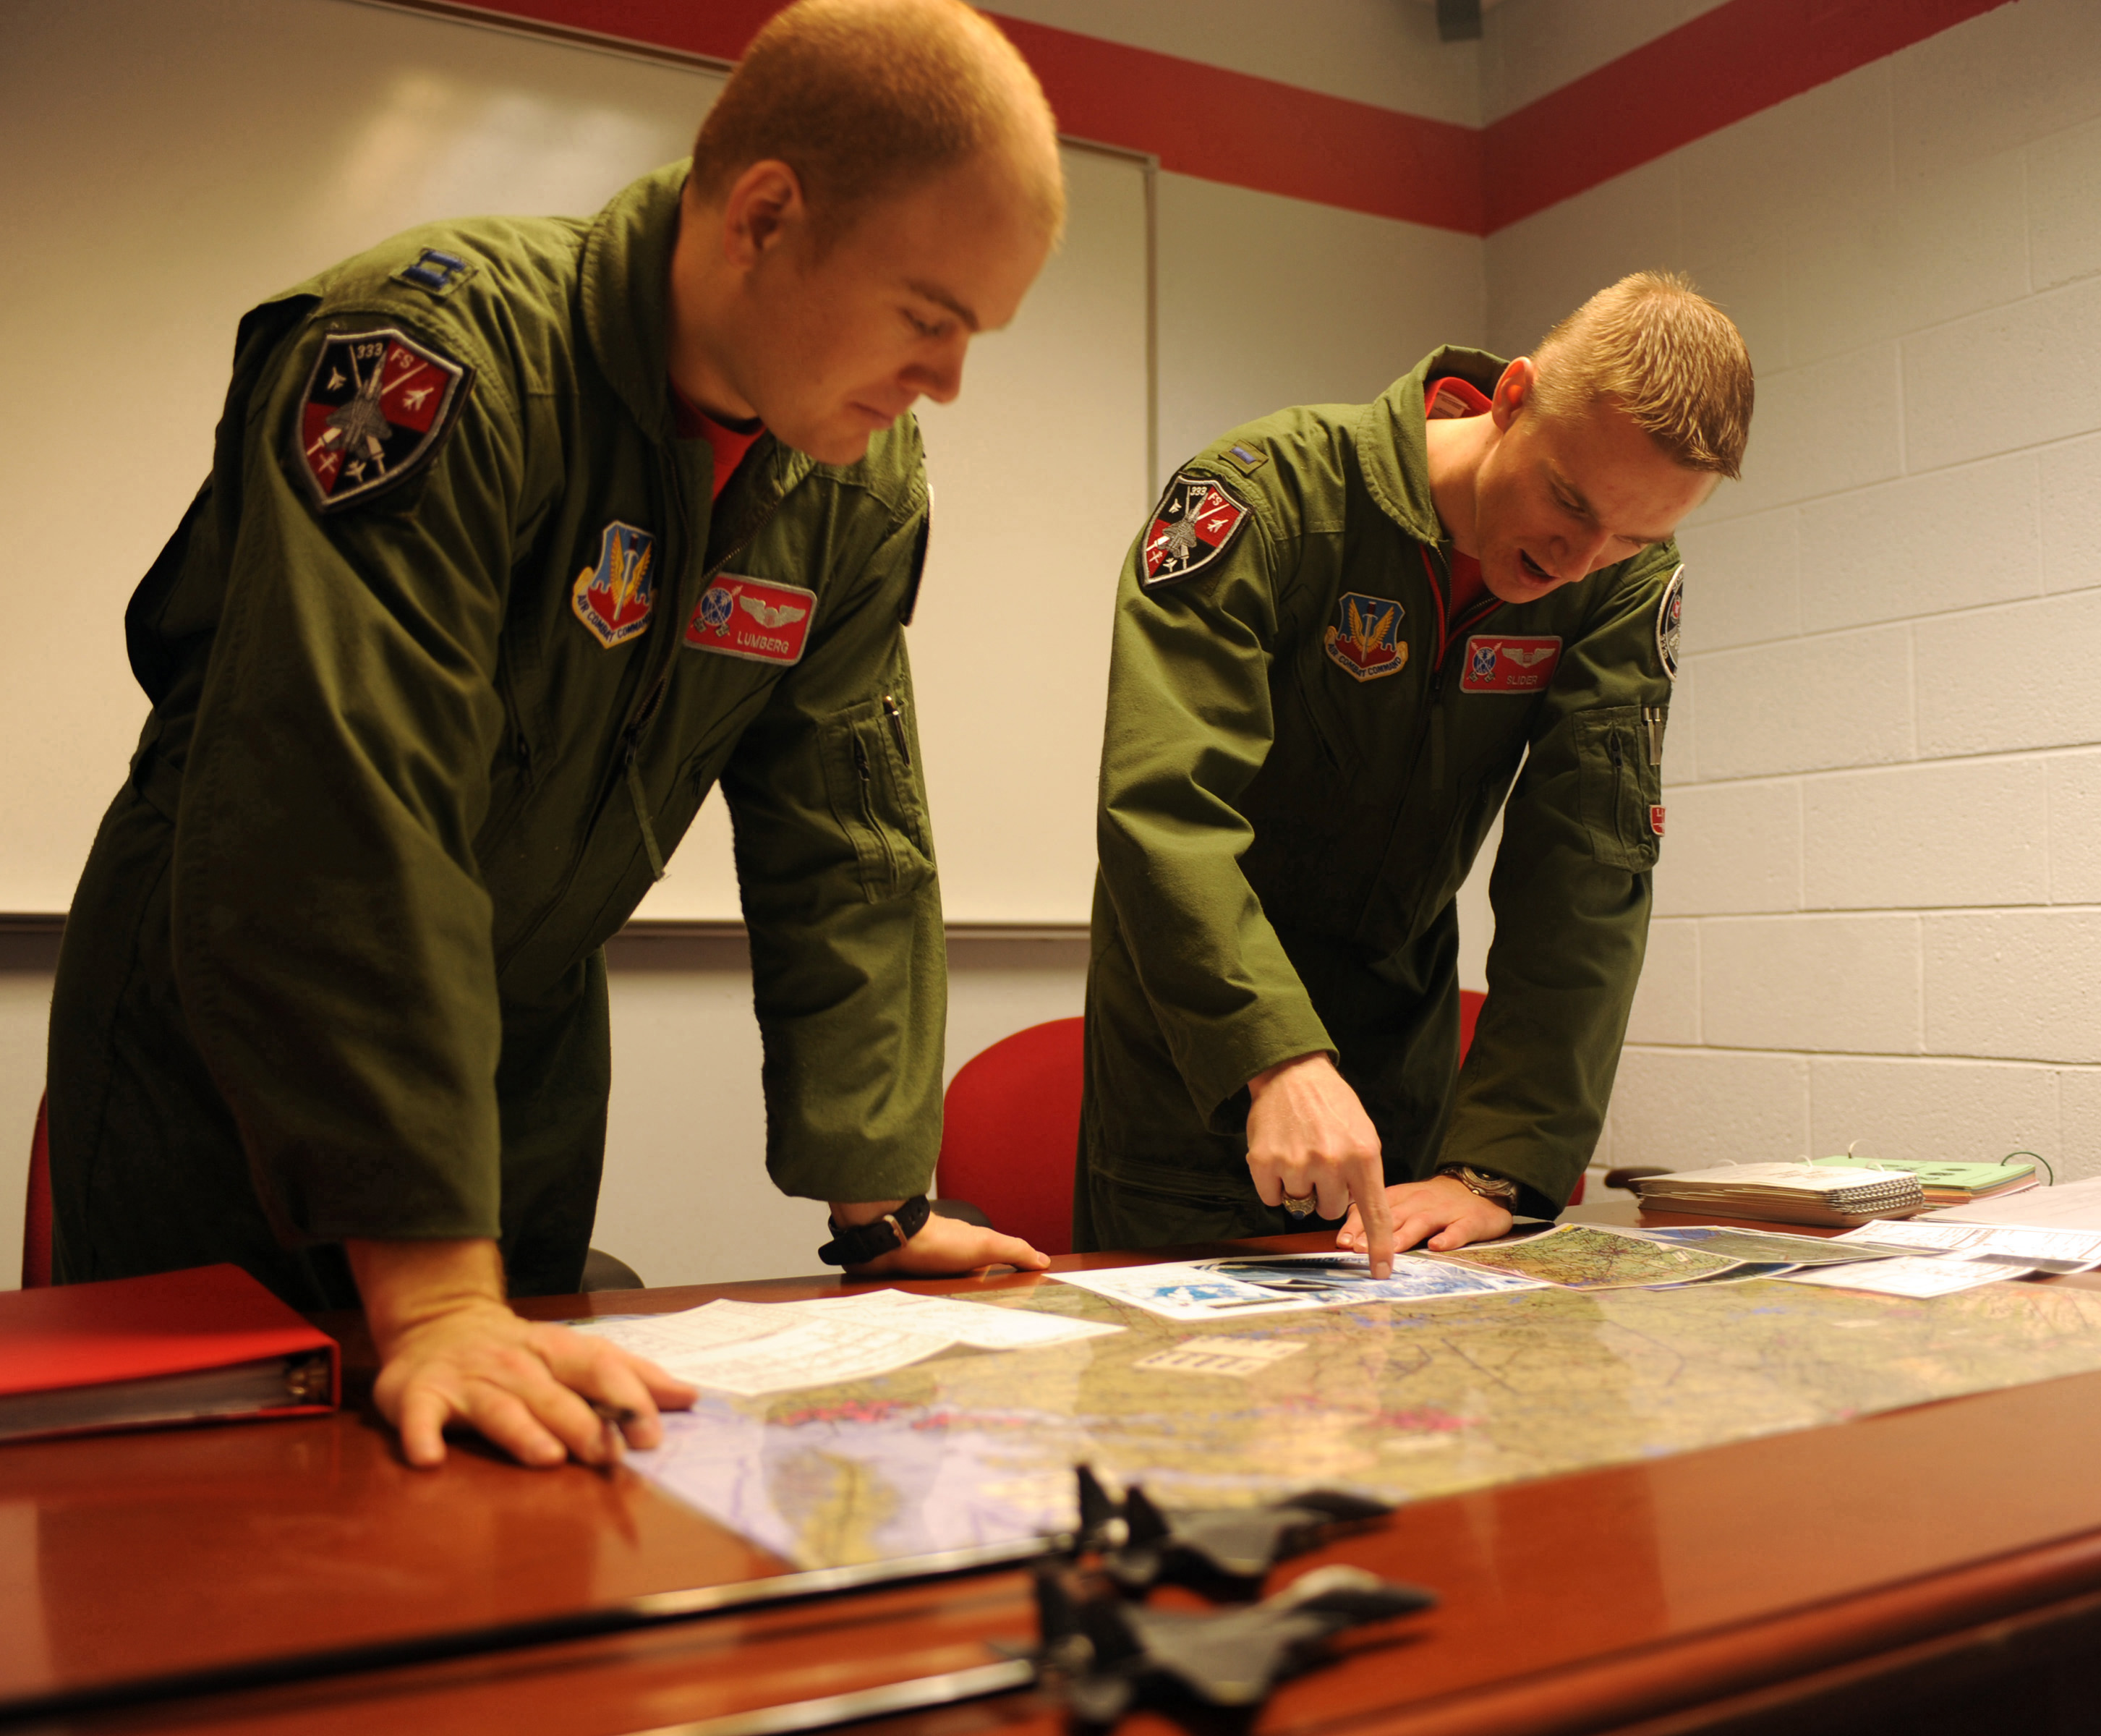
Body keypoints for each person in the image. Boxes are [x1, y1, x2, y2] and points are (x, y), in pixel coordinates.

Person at [45, 0, 1065, 1471]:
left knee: (500, 1492)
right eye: (929, 318)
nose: (949, 383)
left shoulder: (854, 479)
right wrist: (439, 1287)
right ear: (766, 217)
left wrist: (878, 1199)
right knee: (192, 1514)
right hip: (229, 1031)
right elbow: (338, 797)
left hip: (518, 1044)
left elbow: (847, 830)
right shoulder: (434, 359)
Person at [1076, 273, 1753, 1274]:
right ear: (1511, 399)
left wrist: (1493, 1168)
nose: (1582, 560)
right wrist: (1271, 1053)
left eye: (1634, 536)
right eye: (1569, 504)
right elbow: (1165, 807)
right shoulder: (1267, 497)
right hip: (1193, 1065)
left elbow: (1587, 870)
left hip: (1403, 1073)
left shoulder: (1619, 581)